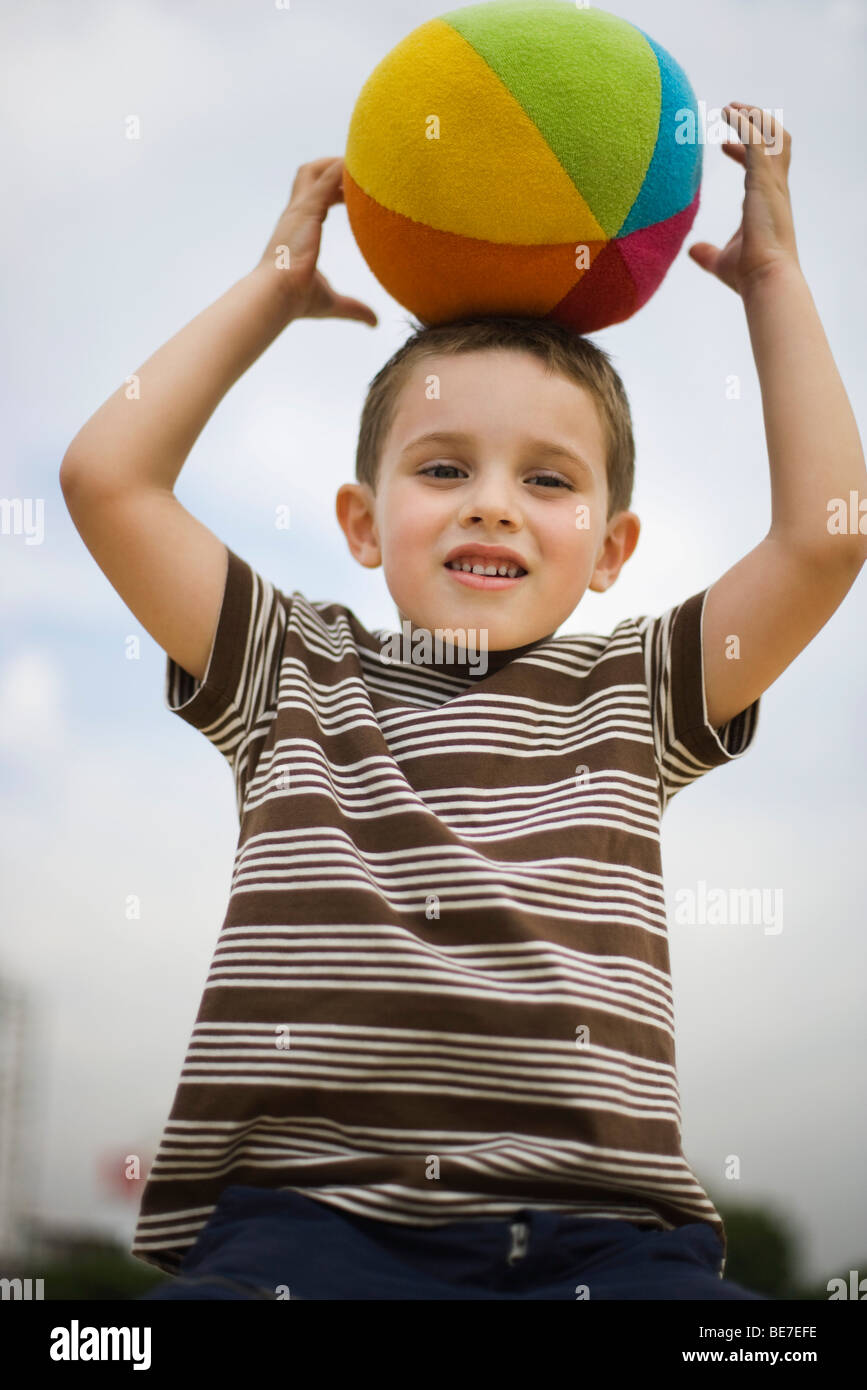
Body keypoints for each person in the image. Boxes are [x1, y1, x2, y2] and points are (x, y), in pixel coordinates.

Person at [60, 107, 865, 1301]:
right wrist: (272, 288)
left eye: (548, 479)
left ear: (610, 546)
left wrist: (775, 280)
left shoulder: (635, 693)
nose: (493, 503)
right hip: (303, 1231)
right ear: (362, 522)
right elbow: (104, 477)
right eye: (444, 467)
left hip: (608, 1240)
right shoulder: (290, 669)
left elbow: (825, 537)